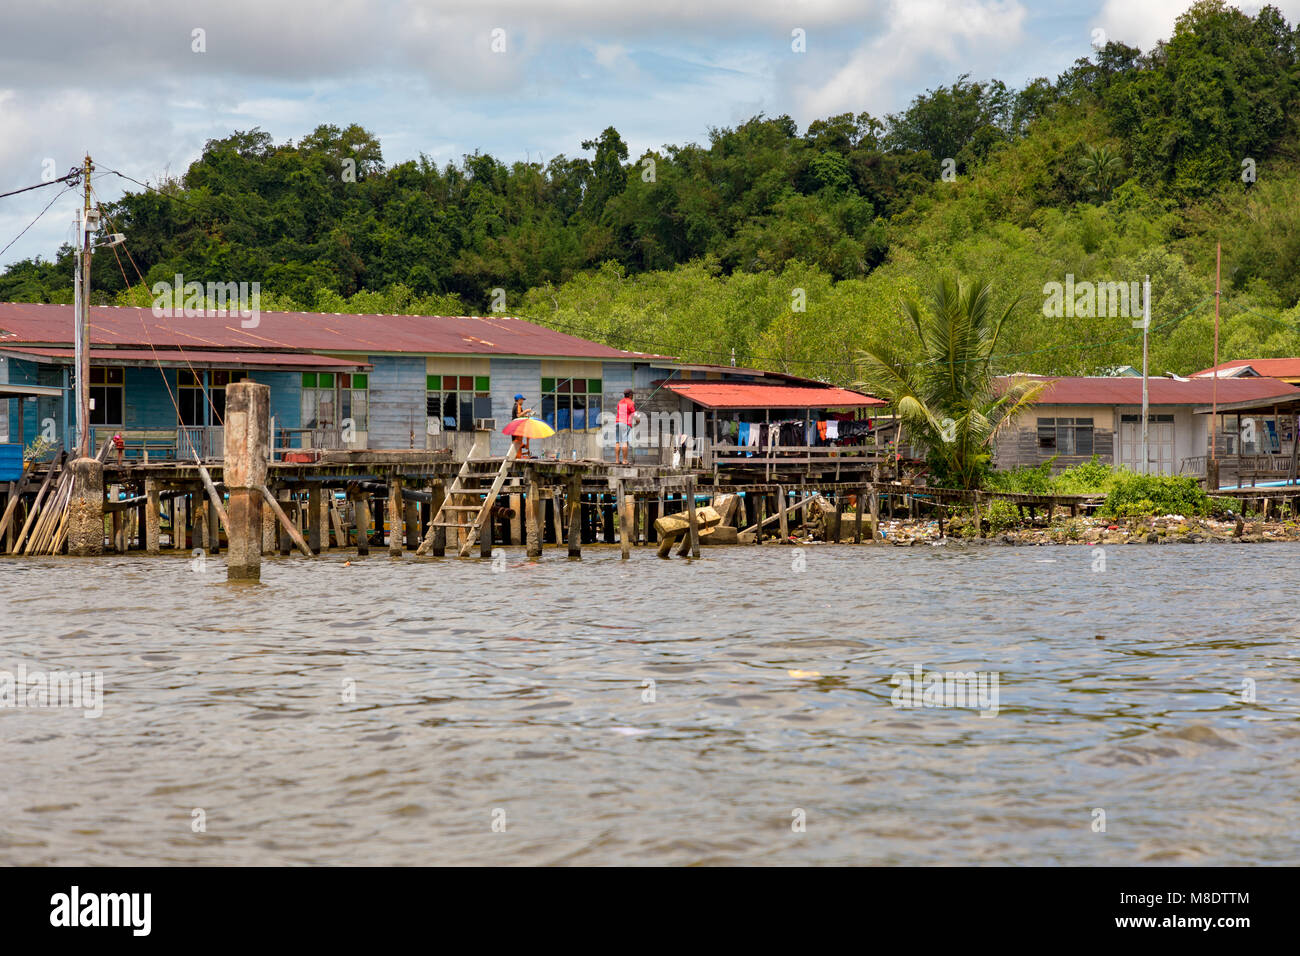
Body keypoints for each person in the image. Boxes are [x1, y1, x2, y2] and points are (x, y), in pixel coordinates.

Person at [615, 389, 636, 464]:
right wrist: (638, 420)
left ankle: (617, 460)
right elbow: (634, 415)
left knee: (617, 441)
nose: (633, 396)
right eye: (632, 395)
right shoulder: (631, 402)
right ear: (630, 395)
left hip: (617, 422)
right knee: (624, 441)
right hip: (625, 423)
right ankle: (624, 460)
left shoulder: (620, 402)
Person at [511, 393, 533, 458]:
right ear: (519, 400)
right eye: (522, 400)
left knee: (517, 444)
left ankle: (518, 456)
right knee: (517, 444)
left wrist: (527, 415)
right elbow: (518, 415)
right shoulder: (518, 406)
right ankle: (517, 457)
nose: (523, 401)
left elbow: (521, 415)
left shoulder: (516, 406)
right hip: (516, 428)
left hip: (514, 429)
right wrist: (526, 411)